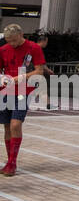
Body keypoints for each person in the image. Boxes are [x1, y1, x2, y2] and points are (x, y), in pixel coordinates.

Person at [1, 24, 48, 176]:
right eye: (8, 41)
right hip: (5, 90)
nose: (12, 44)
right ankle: (9, 160)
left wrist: (18, 78)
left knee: (16, 124)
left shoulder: (33, 48)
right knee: (7, 126)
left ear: (21, 34)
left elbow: (39, 71)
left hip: (23, 90)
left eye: (14, 40)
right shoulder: (3, 50)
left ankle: (12, 163)